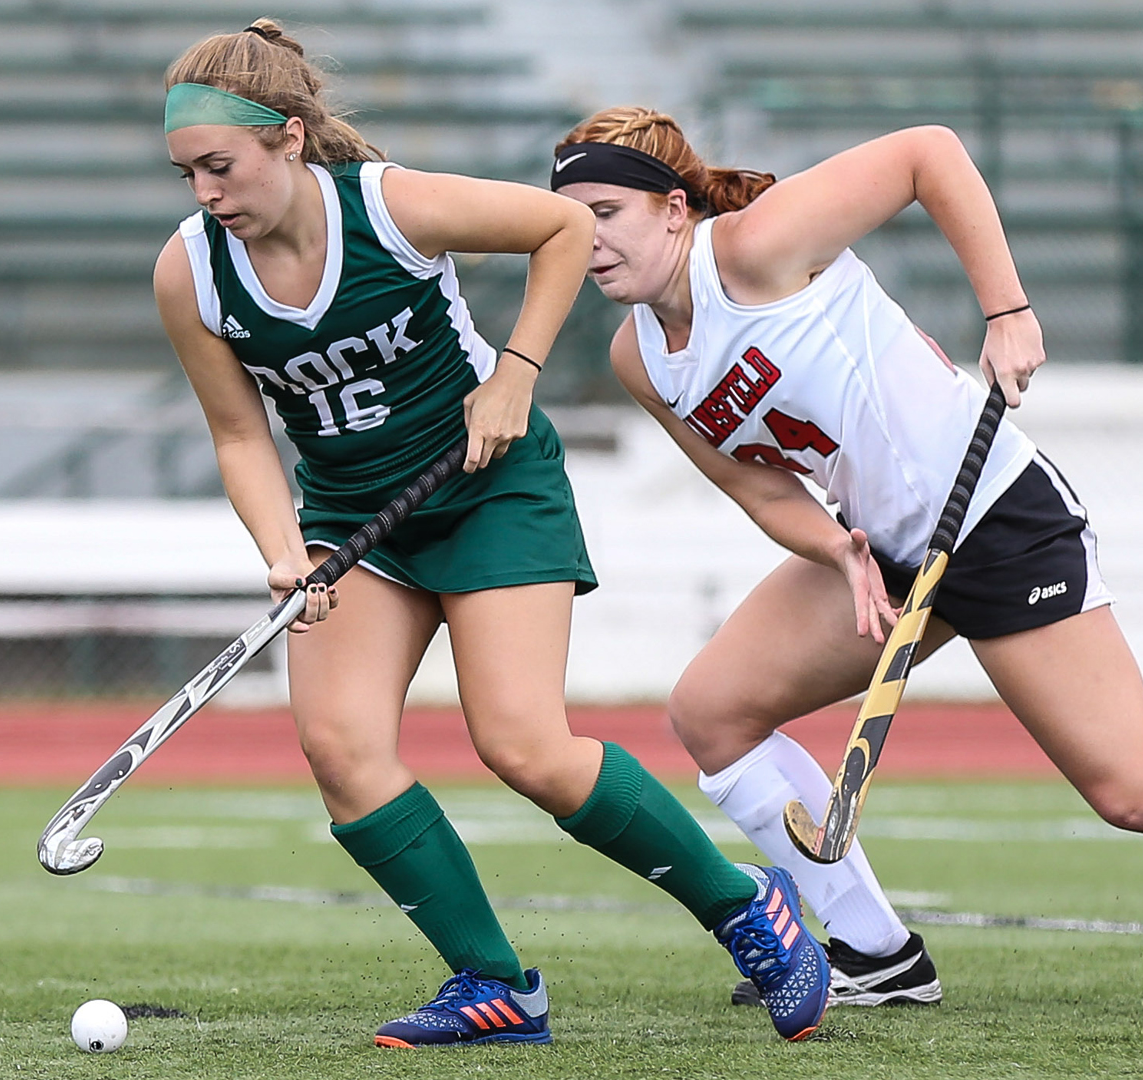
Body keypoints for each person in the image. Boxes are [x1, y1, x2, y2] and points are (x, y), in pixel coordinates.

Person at [154, 24, 831, 1047]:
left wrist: (513, 375)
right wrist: (281, 552)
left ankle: (746, 909)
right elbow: (241, 431)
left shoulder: (391, 205)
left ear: (289, 139)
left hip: (489, 490)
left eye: (220, 166)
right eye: (188, 174)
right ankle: (494, 983)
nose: (206, 193)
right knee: (341, 754)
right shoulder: (191, 274)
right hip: (356, 521)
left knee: (524, 746)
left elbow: (561, 230)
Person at [550, 106, 1143, 1009]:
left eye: (606, 211)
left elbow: (928, 153)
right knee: (713, 712)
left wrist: (1008, 310)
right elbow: (759, 490)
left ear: (674, 209)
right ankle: (876, 954)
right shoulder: (639, 357)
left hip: (990, 512)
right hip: (888, 548)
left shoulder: (753, 249)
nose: (586, 238)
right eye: (572, 218)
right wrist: (837, 549)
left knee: (1135, 787)